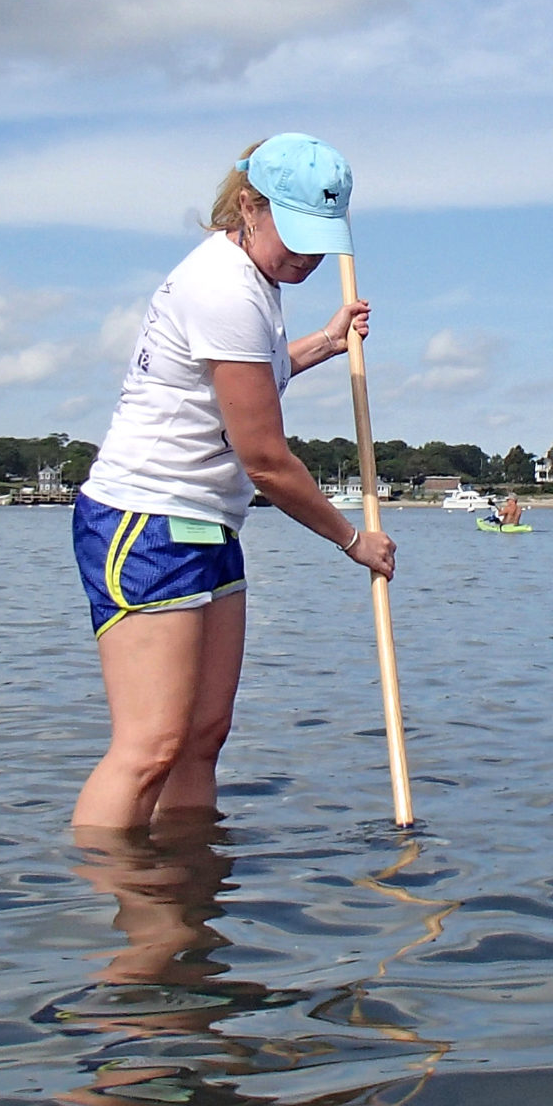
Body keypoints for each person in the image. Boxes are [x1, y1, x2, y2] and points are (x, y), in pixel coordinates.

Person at [70, 135, 397, 831]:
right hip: (145, 519)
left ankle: (188, 890)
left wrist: (325, 341)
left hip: (210, 524)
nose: (308, 258)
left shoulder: (257, 283)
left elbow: (254, 372)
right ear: (249, 206)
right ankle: (117, 910)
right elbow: (266, 459)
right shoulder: (222, 287)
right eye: (296, 236)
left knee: (202, 736)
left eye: (321, 241)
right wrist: (351, 541)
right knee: (150, 744)